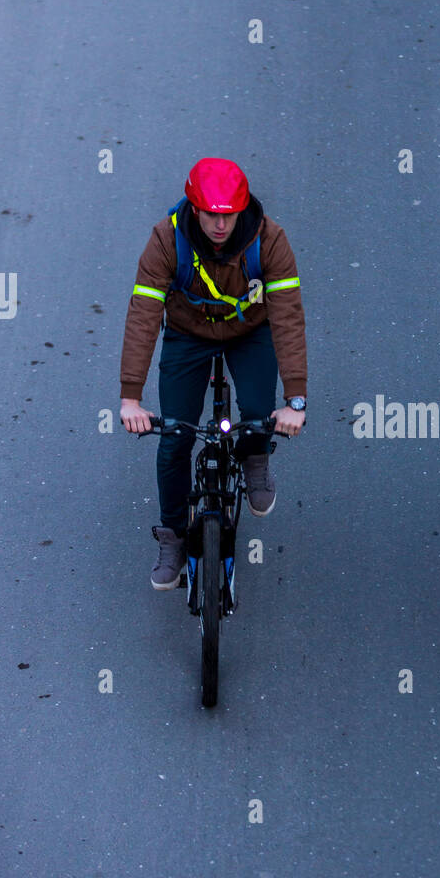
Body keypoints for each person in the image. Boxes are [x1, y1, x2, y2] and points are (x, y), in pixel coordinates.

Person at [119, 157, 307, 588]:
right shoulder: (166, 240)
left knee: (260, 410)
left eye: (228, 216)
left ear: (241, 209)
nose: (220, 226)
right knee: (173, 440)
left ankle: (255, 457)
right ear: (194, 208)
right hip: (189, 333)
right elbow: (144, 314)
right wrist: (131, 397)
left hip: (249, 332)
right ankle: (173, 537)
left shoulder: (271, 240)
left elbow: (288, 318)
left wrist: (295, 399)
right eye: (210, 215)